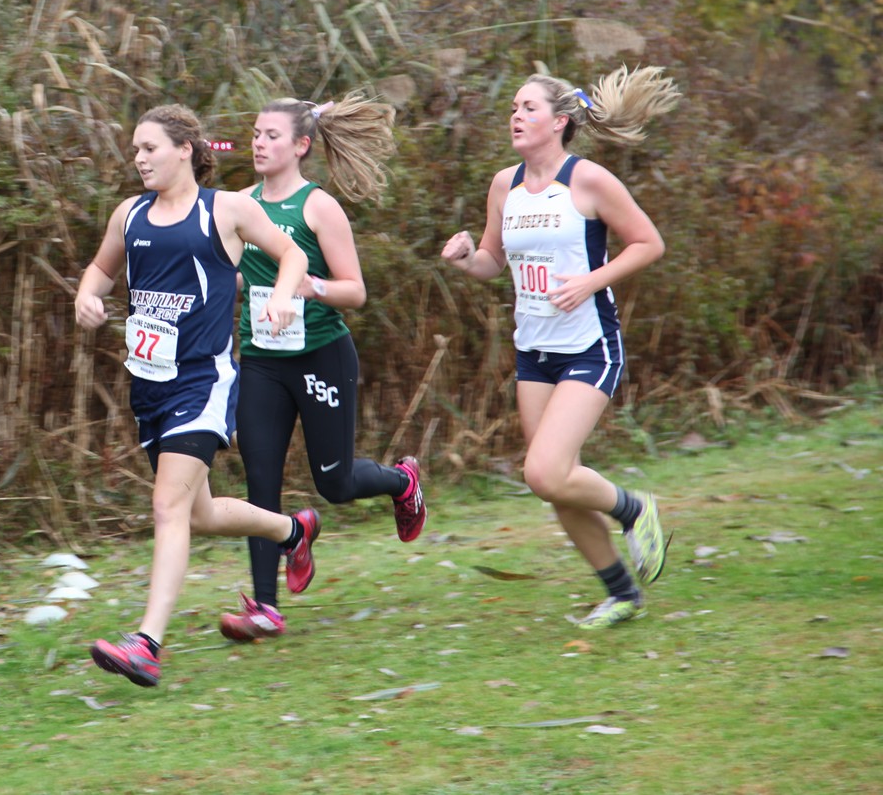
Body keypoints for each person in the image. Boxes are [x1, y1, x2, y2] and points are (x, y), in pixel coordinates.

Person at [75, 105, 321, 687]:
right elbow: (99, 271)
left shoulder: (226, 210)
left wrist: (283, 294)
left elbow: (293, 255)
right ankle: (292, 531)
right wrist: (87, 296)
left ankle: (147, 644)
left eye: (150, 148)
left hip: (203, 382)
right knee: (200, 514)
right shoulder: (129, 215)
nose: (139, 160)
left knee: (167, 506)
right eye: (135, 150)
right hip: (149, 385)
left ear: (185, 149)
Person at [440, 65, 680, 628]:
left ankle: (634, 509)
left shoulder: (588, 180)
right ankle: (622, 593)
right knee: (556, 484)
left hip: (590, 346)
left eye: (528, 108)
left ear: (559, 121)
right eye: (513, 108)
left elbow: (648, 243)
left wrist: (591, 282)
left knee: (545, 472)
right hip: (534, 351)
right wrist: (467, 258)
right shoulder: (504, 184)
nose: (516, 116)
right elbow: (493, 261)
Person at [219, 94, 427, 642]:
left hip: (320, 357)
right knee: (260, 478)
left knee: (333, 483)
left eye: (271, 136)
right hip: (261, 361)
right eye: (255, 134)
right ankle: (265, 608)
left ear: (301, 146)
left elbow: (355, 291)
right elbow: (240, 277)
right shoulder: (239, 205)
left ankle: (402, 482)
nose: (258, 143)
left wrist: (310, 288)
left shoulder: (318, 207)